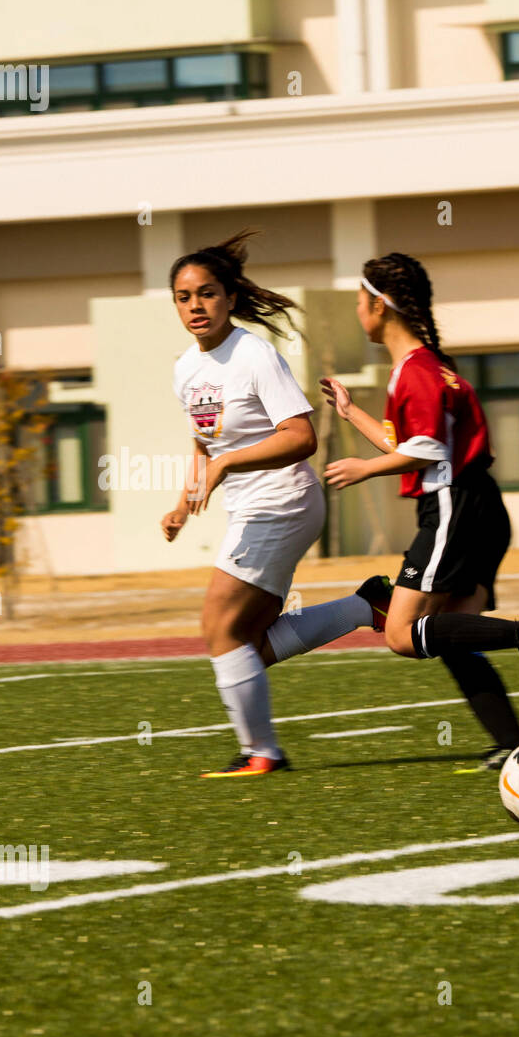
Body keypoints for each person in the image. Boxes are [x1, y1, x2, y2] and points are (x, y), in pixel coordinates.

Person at [320, 252, 519, 763]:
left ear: (379, 306)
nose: (357, 310)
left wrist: (362, 468)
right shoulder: (432, 367)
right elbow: (406, 440)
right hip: (477, 505)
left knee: (401, 634)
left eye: (360, 301)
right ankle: (512, 744)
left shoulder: (417, 370)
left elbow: (427, 448)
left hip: (452, 506)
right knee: (453, 637)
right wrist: (350, 411)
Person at [164, 230, 380, 778]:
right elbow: (205, 443)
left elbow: (300, 436)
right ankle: (364, 607)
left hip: (282, 501)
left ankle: (262, 752)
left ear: (230, 298)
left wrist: (227, 465)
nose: (196, 305)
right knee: (245, 647)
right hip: (254, 509)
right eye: (185, 297)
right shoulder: (185, 370)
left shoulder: (255, 355)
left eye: (207, 293)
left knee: (218, 623)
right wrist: (184, 504)